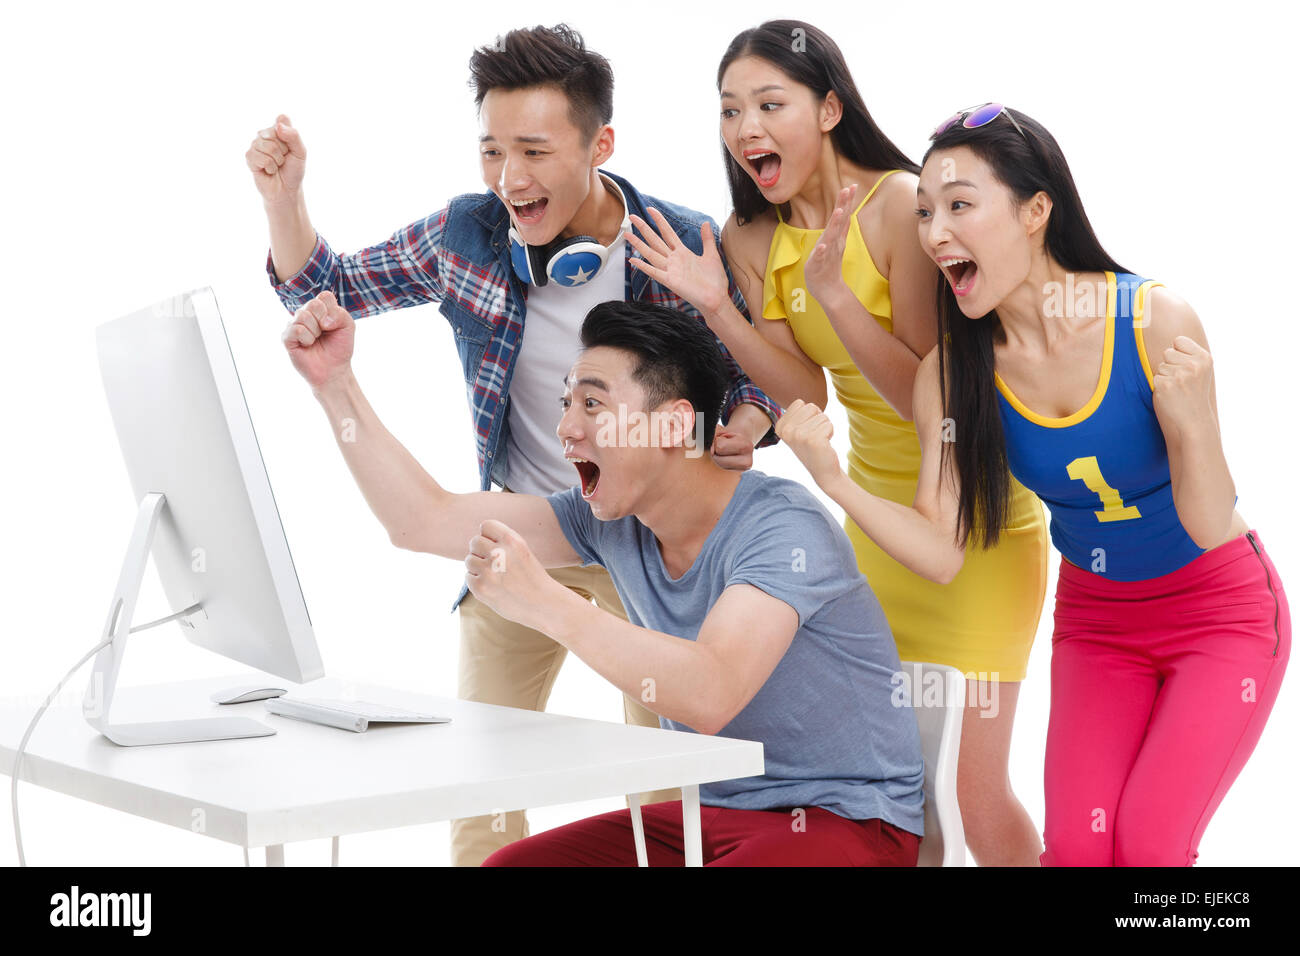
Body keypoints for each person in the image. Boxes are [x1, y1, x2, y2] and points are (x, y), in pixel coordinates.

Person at [246, 24, 781, 867]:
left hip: (651, 547)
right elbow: (329, 288)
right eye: (492, 151)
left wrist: (746, 422)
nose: (510, 178)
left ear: (600, 145)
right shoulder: (467, 234)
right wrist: (284, 200)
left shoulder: (678, 239)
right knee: (480, 790)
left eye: (534, 151)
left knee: (666, 795)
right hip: (523, 533)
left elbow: (755, 378)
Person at [778, 102, 1290, 866]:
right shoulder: (953, 374)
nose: (935, 234)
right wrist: (832, 479)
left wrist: (1193, 423)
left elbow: (1212, 522)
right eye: (925, 213)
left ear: (1035, 210)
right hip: (1100, 621)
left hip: (1219, 611)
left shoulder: (1152, 320)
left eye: (959, 205)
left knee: (1148, 845)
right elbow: (941, 551)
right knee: (1079, 850)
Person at [281, 291, 926, 866]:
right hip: (711, 817)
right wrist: (335, 385)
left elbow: (712, 692)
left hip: (847, 818)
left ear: (675, 423)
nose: (566, 429)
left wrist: (548, 603)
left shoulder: (783, 526)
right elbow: (422, 521)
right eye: (568, 404)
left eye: (592, 404)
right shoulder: (608, 521)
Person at [622, 20, 1048, 865]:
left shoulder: (900, 207)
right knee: (899, 780)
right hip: (873, 532)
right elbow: (806, 392)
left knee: (970, 789)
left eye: (768, 104)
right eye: (730, 110)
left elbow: (931, 396)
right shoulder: (751, 236)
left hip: (971, 526)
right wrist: (718, 308)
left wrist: (837, 298)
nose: (746, 127)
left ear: (828, 109)